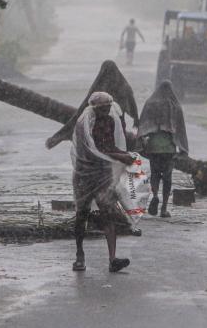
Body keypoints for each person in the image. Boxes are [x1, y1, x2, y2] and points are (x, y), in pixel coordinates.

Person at [71, 92, 136, 273]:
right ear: (95, 108)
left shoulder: (110, 121)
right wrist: (120, 156)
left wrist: (124, 155)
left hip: (103, 175)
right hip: (84, 175)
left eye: (109, 108)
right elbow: (94, 150)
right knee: (81, 214)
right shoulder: (83, 124)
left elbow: (109, 146)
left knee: (108, 213)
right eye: (103, 109)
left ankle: (112, 258)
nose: (107, 111)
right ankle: (79, 255)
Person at [138, 80, 189, 218]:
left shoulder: (150, 103)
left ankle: (155, 195)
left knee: (154, 173)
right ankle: (164, 208)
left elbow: (143, 124)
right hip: (168, 147)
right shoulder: (174, 105)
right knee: (167, 177)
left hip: (153, 146)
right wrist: (183, 148)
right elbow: (180, 129)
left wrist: (140, 141)